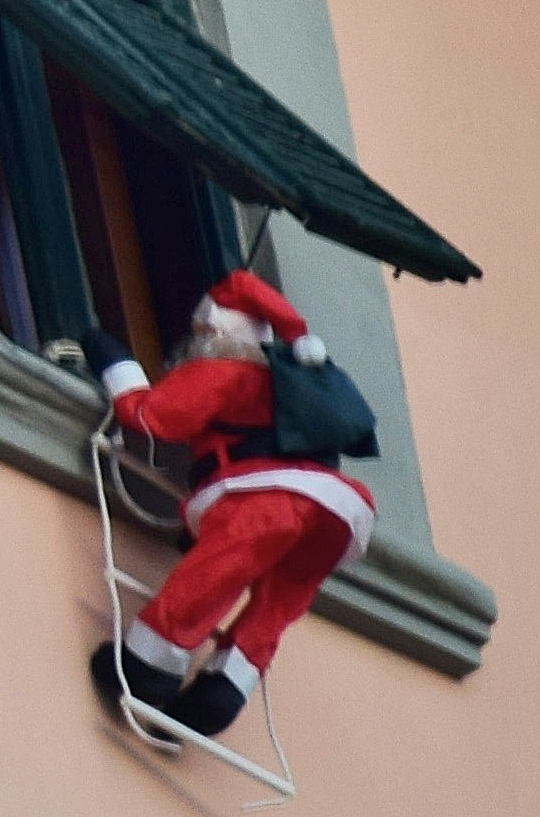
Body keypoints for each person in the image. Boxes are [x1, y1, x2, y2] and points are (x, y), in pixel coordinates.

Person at [80, 268, 376, 738]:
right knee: (276, 604)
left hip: (266, 496)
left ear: (213, 329)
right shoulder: (293, 381)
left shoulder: (224, 369)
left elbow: (153, 417)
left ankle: (147, 666)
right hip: (337, 513)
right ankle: (223, 690)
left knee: (214, 576)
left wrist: (112, 359)